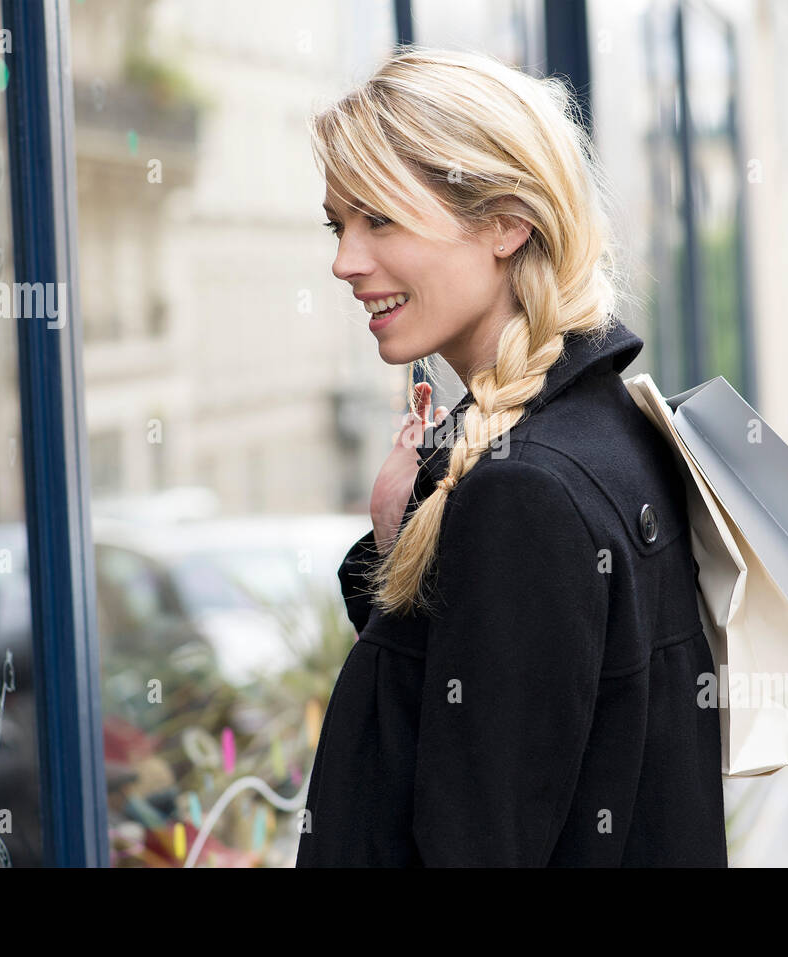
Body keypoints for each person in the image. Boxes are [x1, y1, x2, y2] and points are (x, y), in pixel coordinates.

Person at [295, 48, 726, 867]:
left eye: (378, 220)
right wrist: (398, 549)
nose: (345, 261)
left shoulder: (523, 491)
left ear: (505, 222)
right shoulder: (609, 426)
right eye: (337, 224)